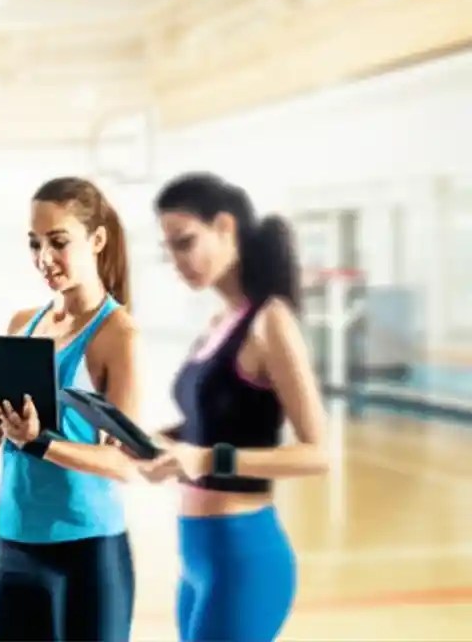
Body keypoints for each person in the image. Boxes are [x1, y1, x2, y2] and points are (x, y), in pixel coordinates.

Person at [140, 172, 329, 642]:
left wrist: (206, 460)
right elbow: (213, 424)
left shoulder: (271, 322)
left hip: (244, 556)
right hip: (197, 555)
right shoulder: (219, 323)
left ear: (225, 227)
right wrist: (159, 441)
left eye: (185, 242)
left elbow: (317, 453)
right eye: (169, 250)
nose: (178, 261)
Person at [0, 177, 141, 642]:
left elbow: (126, 463)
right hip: (15, 542)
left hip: (88, 551)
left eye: (58, 242)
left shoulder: (117, 334)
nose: (44, 258)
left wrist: (39, 442)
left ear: (97, 240)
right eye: (35, 244)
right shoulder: (23, 324)